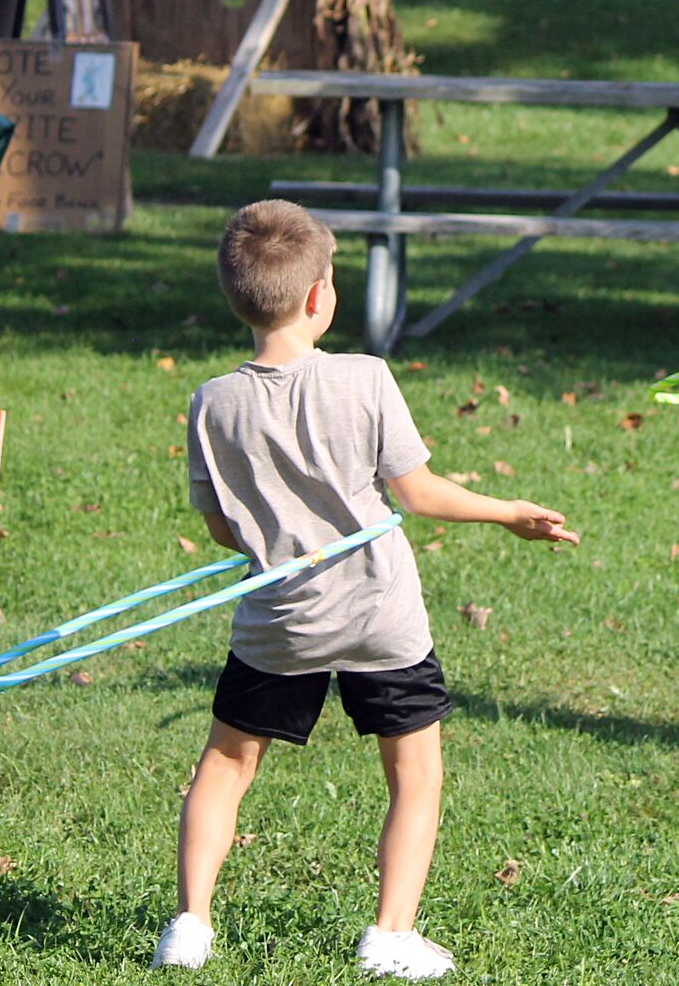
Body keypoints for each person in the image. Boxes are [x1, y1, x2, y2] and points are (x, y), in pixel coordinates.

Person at [153, 200, 577, 979]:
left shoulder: (213, 401)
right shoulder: (365, 378)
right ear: (321, 297)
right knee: (415, 773)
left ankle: (190, 925)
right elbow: (416, 492)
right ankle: (389, 936)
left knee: (227, 763)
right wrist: (508, 512)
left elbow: (222, 532)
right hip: (381, 613)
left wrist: (274, 535)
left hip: (280, 622)